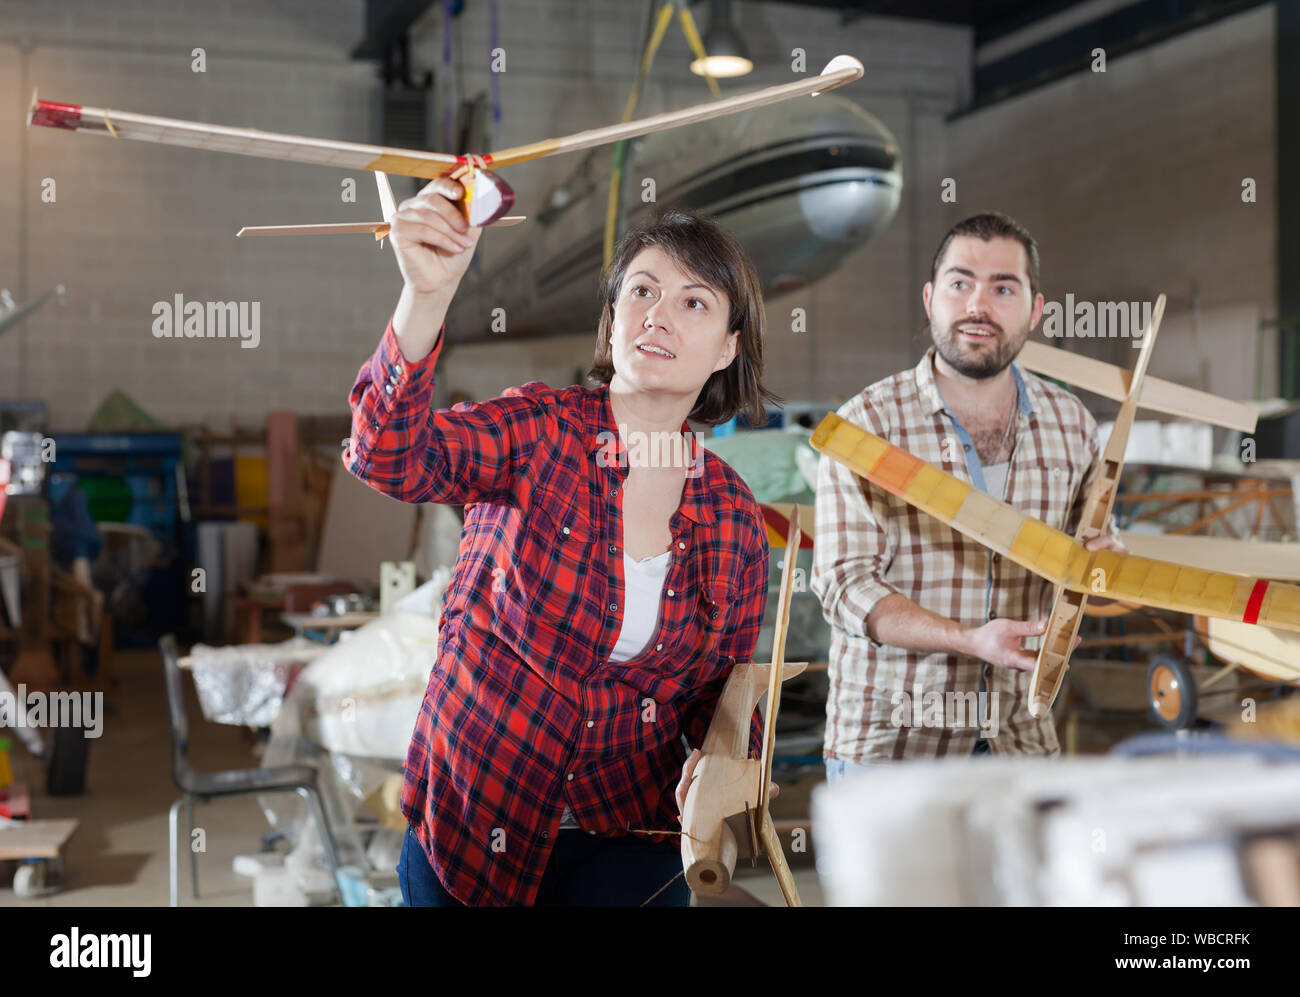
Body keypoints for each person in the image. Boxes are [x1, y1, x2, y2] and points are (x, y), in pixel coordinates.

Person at [342, 182, 777, 906]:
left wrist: (734, 757)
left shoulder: (731, 513)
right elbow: (386, 451)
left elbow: (722, 689)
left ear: (729, 346)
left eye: (693, 301)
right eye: (641, 291)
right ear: (611, 323)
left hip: (628, 832)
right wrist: (425, 299)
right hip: (476, 818)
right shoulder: (536, 429)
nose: (658, 316)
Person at [810, 212, 1124, 778]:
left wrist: (1105, 578)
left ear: (1036, 310)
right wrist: (971, 641)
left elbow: (1088, 563)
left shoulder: (1072, 424)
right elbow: (843, 585)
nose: (978, 305)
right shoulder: (865, 426)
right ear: (931, 298)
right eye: (961, 283)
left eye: (1004, 287)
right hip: (893, 746)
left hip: (1020, 737)